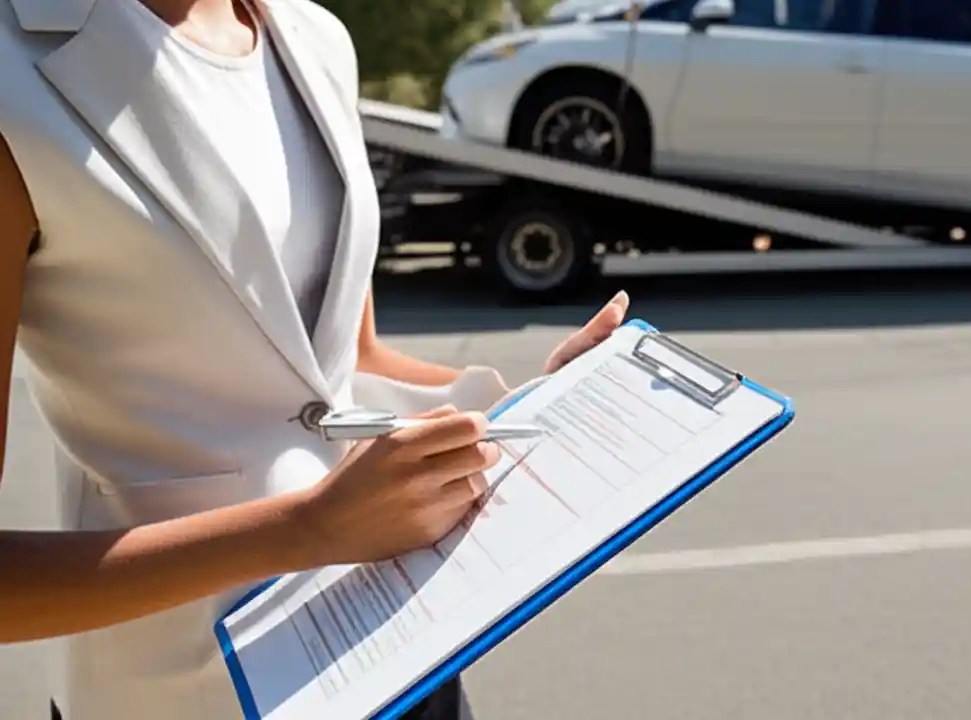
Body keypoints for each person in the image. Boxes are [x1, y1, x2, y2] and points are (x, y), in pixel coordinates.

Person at [0, 0, 631, 718]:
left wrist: (534, 410)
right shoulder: (10, 73)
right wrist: (306, 531)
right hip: (180, 692)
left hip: (395, 646)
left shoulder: (314, 36)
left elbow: (340, 369)